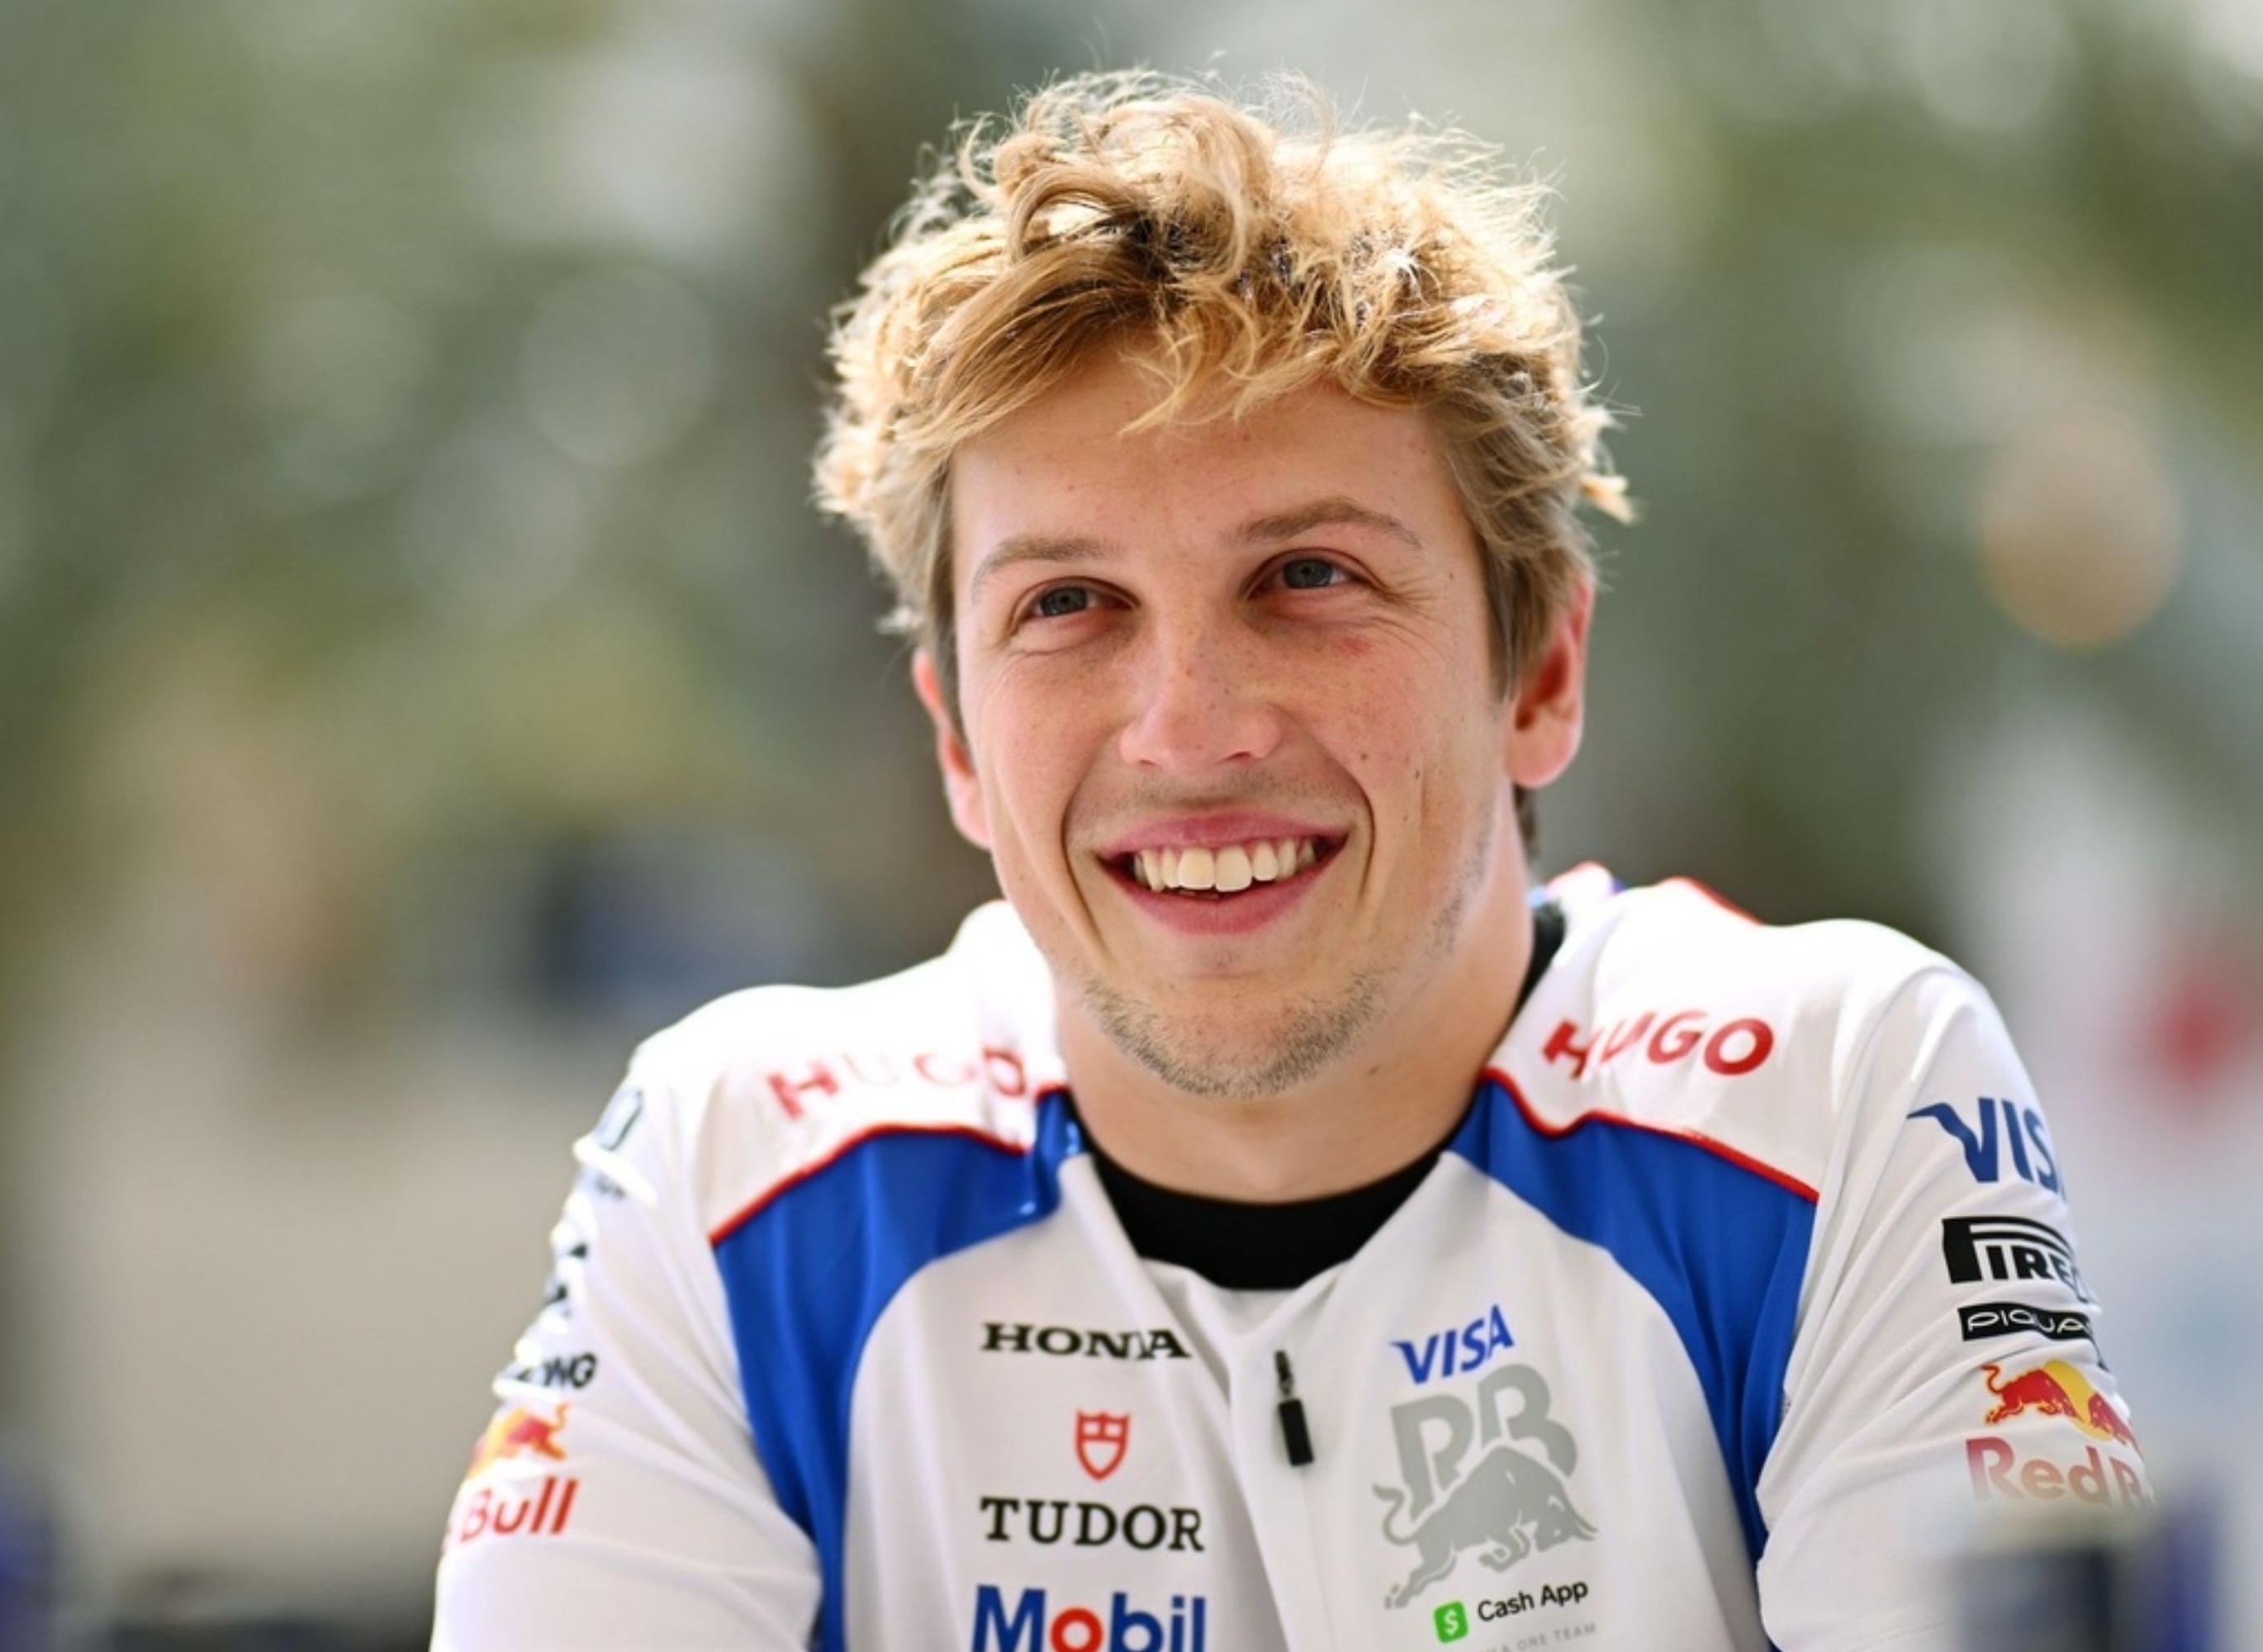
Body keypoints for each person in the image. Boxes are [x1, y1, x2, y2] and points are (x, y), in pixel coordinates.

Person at [430, 70, 2147, 1651]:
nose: (1188, 730)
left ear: (1539, 674)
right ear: (956, 738)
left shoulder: (1828, 1089)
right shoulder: (737, 1170)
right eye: (1068, 603)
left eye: (1308, 579)